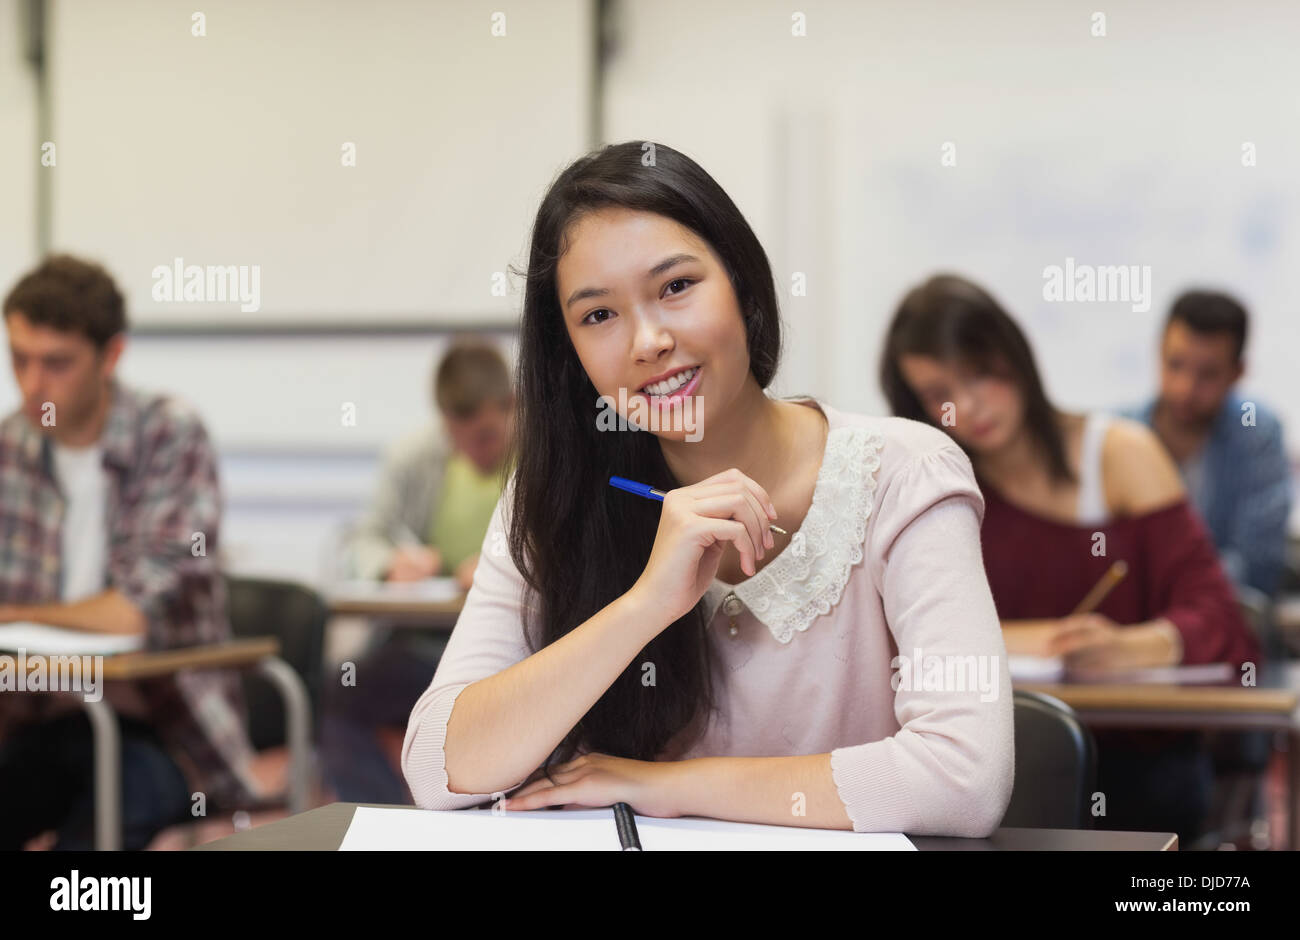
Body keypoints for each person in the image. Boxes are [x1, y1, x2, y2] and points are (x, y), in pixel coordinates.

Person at [401, 142, 1013, 836]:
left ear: (744, 287)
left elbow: (967, 777)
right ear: (569, 353)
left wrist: (663, 787)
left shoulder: (906, 471)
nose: (648, 341)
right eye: (598, 315)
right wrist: (644, 605)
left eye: (676, 287)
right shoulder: (551, 501)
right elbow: (434, 766)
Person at [880, 273, 1261, 846]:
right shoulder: (931, 483)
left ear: (1017, 358)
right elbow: (888, 638)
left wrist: (1136, 645)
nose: (971, 405)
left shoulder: (1119, 453)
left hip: (1140, 765)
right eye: (940, 393)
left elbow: (1221, 618)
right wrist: (1039, 638)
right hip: (984, 768)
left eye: (982, 373)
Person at [0, 255, 260, 850]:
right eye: (19, 358)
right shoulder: (10, 445)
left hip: (160, 731)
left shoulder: (169, 434)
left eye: (56, 364)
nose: (32, 384)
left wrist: (13, 616)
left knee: (96, 839)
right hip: (36, 718)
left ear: (111, 356)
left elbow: (128, 616)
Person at [319, 339, 513, 804]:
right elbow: (364, 538)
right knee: (336, 694)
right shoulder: (414, 456)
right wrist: (389, 564)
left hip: (509, 645)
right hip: (425, 641)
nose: (474, 450)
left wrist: (500, 566)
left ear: (513, 407)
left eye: (486, 435)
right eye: (459, 436)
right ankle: (389, 817)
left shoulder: (549, 455)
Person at [1121, 290, 1292, 601]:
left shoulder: (1256, 430)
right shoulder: (1119, 432)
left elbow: (1258, 564)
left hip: (1218, 612)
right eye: (1175, 364)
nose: (1185, 388)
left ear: (1237, 373)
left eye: (1208, 374)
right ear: (1158, 352)